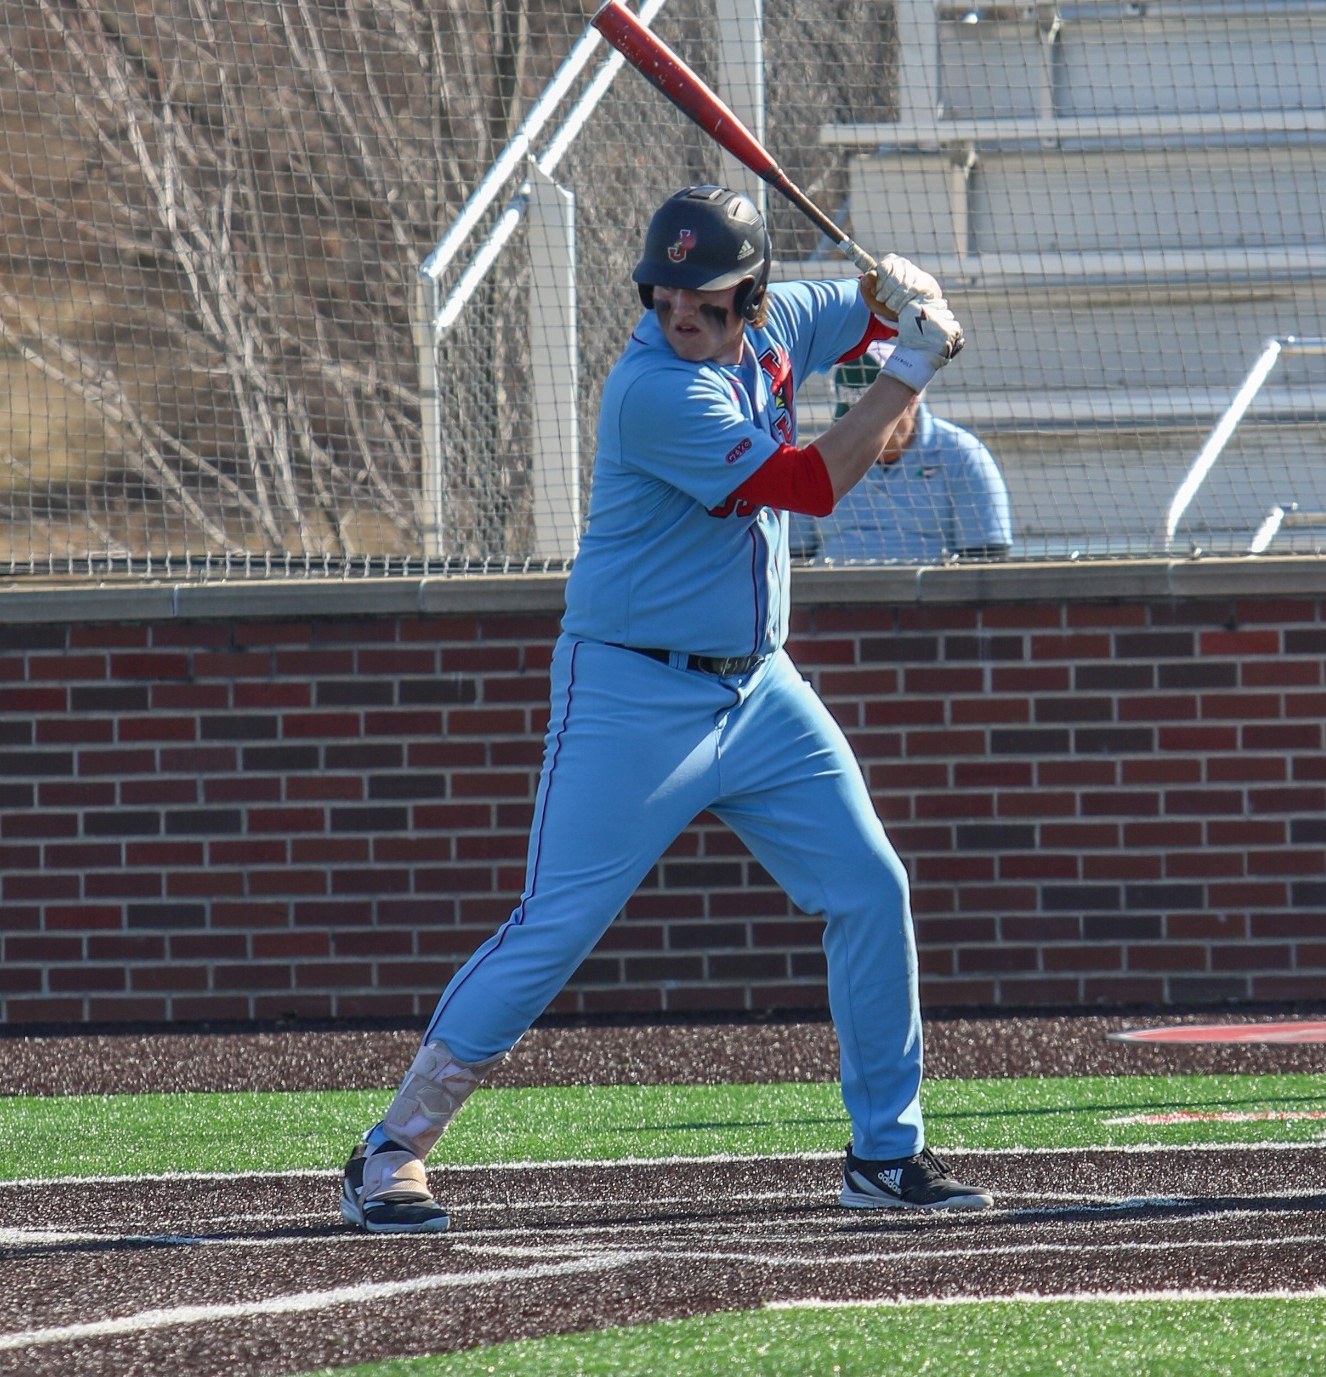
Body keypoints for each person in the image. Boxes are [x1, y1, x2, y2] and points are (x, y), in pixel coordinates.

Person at [337, 184, 993, 1233]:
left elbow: (860, 307)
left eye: (705, 300)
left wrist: (895, 296)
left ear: (749, 296)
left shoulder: (777, 319)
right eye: (664, 297)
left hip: (759, 687)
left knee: (870, 887)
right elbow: (805, 484)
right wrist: (907, 366)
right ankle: (391, 1150)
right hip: (631, 691)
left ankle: (885, 1153)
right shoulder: (652, 389)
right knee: (554, 926)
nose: (680, 316)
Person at [789, 342, 1011, 563]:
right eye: (853, 418)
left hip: (932, 597)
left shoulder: (962, 455)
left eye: (875, 418)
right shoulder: (818, 458)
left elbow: (988, 559)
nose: (862, 430)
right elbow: (793, 558)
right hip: (830, 595)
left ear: (911, 399)